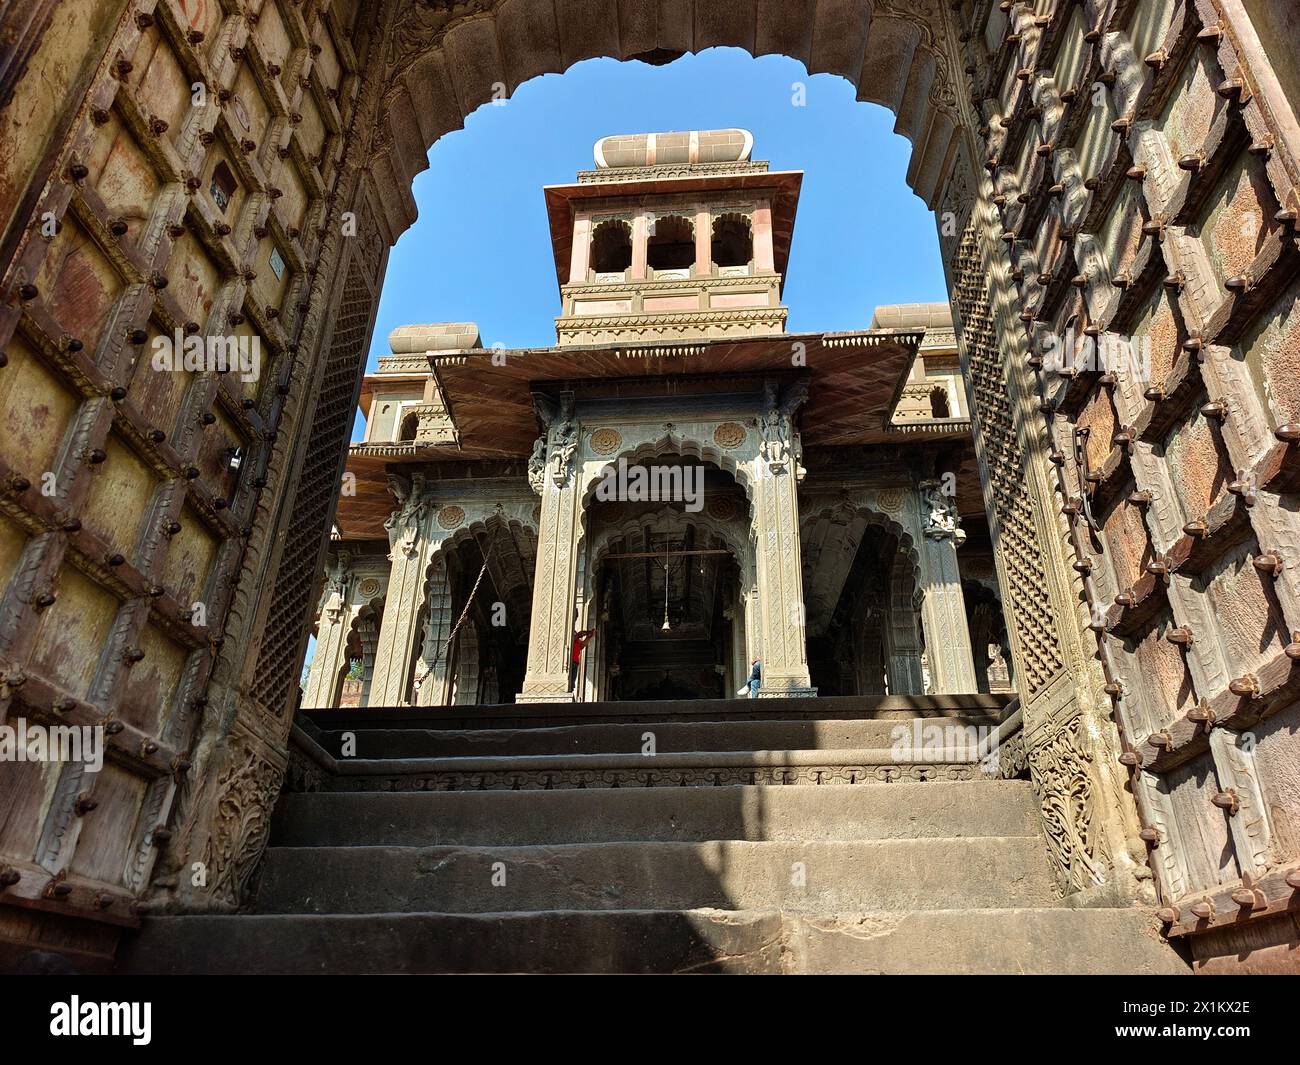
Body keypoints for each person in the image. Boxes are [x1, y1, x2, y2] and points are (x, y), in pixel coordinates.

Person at [569, 628, 595, 694]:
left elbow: (582, 645)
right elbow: (570, 639)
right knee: (568, 679)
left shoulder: (577, 639)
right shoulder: (569, 636)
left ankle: (570, 690)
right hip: (569, 660)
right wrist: (580, 634)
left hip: (575, 662)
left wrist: (589, 637)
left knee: (572, 681)